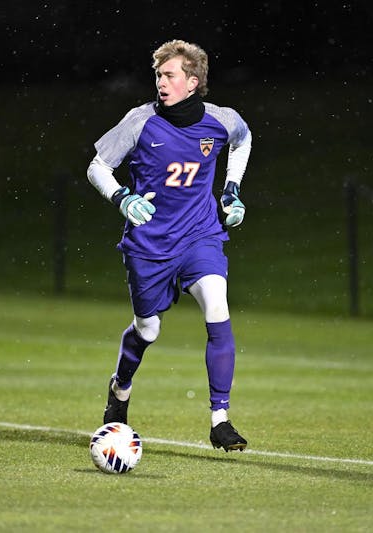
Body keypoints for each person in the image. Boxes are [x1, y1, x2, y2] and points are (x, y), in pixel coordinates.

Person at [86, 39, 252, 452]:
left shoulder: (220, 120)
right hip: (150, 245)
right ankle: (120, 388)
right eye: (158, 75)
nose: (161, 82)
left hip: (200, 236)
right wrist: (122, 197)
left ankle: (221, 420)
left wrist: (231, 191)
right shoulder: (141, 121)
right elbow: (98, 166)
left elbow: (243, 138)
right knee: (149, 328)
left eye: (169, 75)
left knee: (217, 308)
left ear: (192, 82)